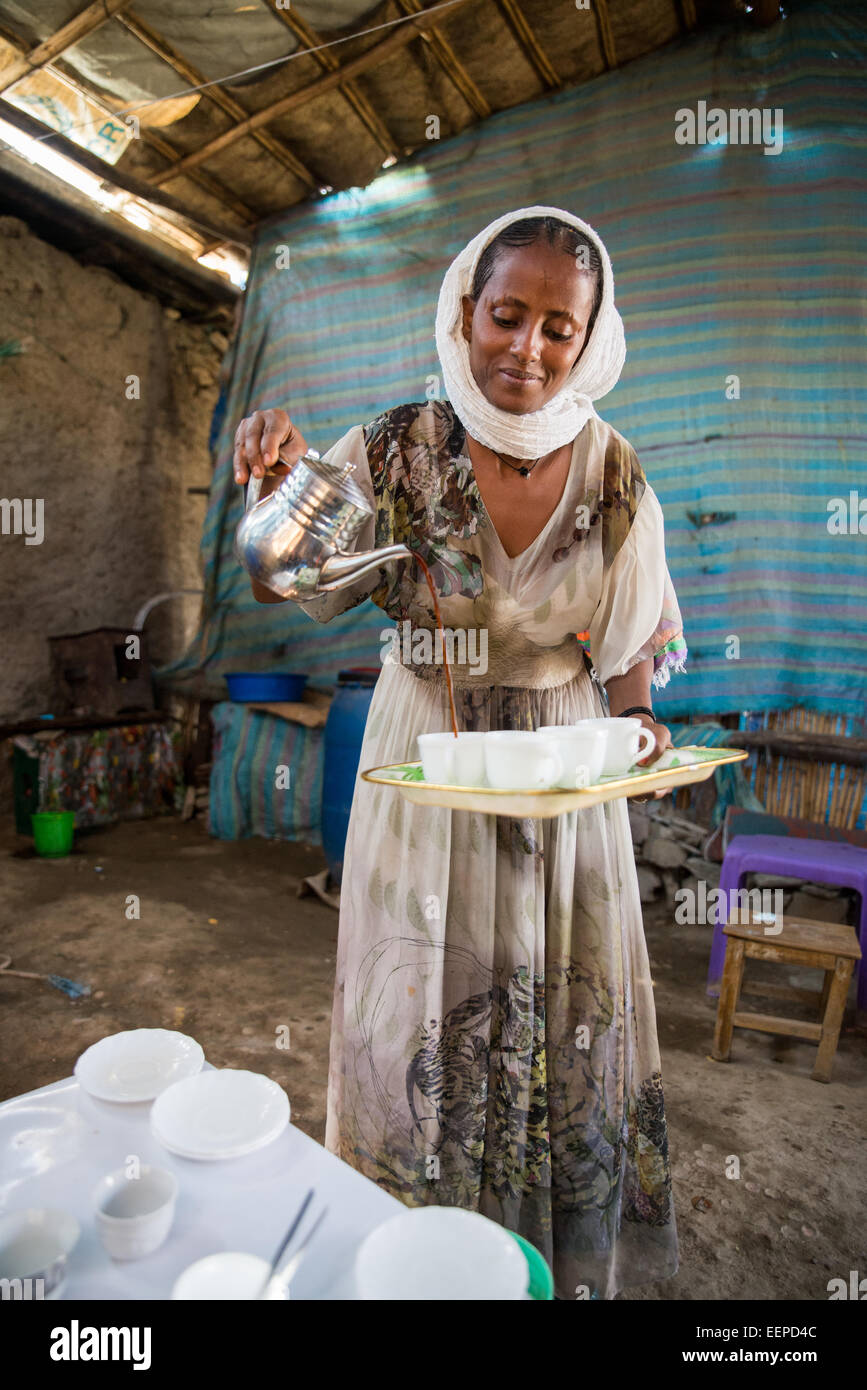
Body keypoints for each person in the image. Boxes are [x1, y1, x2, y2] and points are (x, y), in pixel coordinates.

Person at [233, 206, 687, 1300]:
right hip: (424, 760)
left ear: (591, 337)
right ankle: (410, 1256)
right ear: (464, 313)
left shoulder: (616, 476)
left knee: (554, 1015)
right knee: (414, 1009)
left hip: (558, 776)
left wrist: (642, 731)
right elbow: (277, 576)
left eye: (557, 327)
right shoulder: (393, 451)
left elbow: (628, 655)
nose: (527, 348)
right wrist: (277, 483)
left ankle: (542, 1265)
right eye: (506, 315)